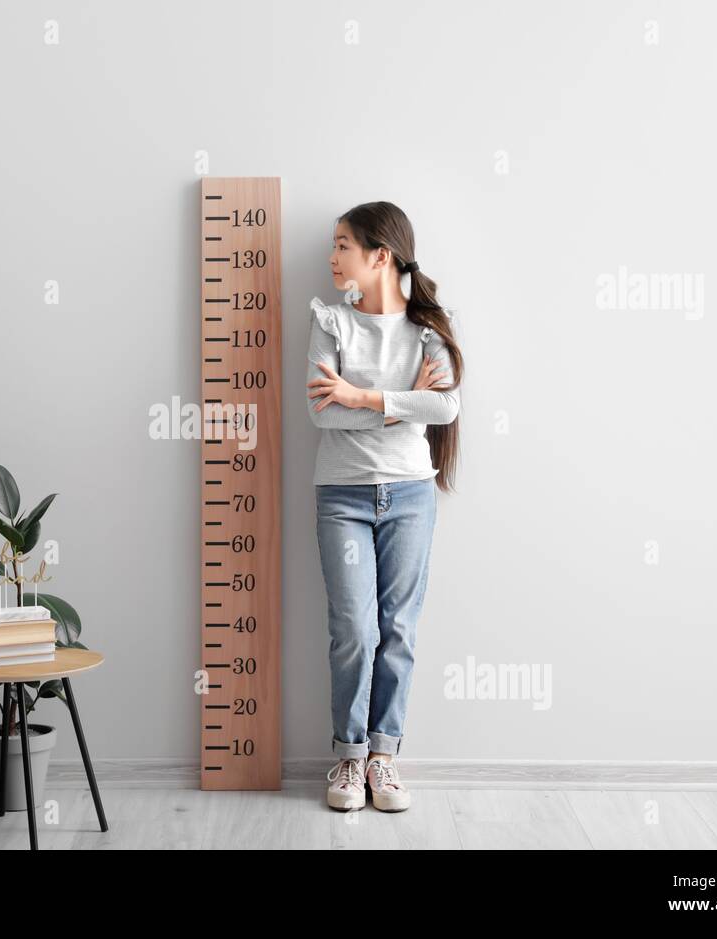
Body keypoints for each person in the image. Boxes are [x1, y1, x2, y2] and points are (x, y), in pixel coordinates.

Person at [305, 201, 464, 812]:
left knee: (399, 628)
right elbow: (321, 410)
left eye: (342, 244)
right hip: (342, 496)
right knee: (354, 629)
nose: (332, 255)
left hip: (411, 495)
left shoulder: (428, 328)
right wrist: (402, 400)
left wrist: (362, 395)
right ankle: (347, 759)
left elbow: (445, 408)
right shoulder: (330, 321)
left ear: (380, 255)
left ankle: (383, 758)